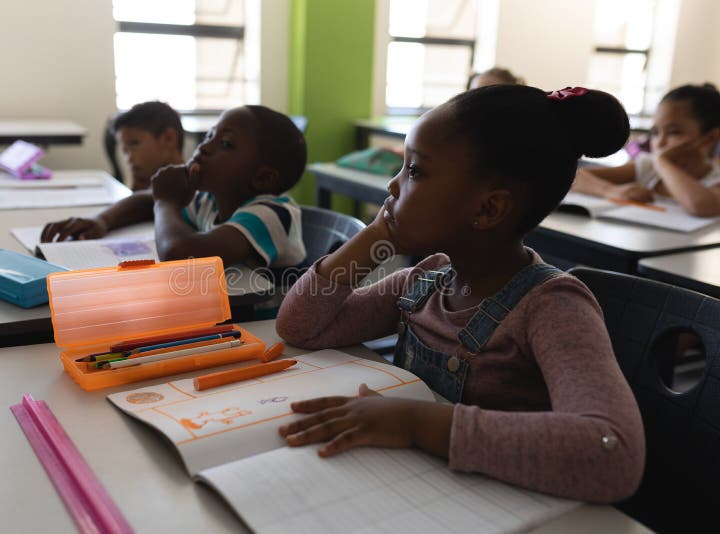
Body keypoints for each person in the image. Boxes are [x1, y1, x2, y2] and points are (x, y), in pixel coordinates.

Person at [275, 85, 645, 503]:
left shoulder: (553, 308)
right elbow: (301, 326)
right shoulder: (428, 280)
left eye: (414, 172)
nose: (392, 187)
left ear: (487, 209)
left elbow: (613, 453)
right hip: (415, 490)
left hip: (498, 510)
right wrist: (376, 237)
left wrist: (416, 423)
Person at [41, 105, 307, 274]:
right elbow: (147, 200)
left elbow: (181, 255)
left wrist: (166, 202)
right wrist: (102, 221)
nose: (204, 147)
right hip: (223, 309)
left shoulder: (272, 214)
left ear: (262, 178)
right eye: (208, 136)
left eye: (225, 144)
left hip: (264, 327)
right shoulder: (209, 200)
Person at [572, 83, 720, 217]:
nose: (660, 142)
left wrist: (662, 161)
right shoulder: (648, 167)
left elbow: (700, 205)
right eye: (655, 133)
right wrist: (611, 191)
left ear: (710, 138)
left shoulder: (715, 179)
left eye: (674, 132)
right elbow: (574, 177)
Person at [111, 101, 185, 191]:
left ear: (168, 139)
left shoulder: (192, 196)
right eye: (125, 151)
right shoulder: (149, 188)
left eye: (135, 144)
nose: (129, 159)